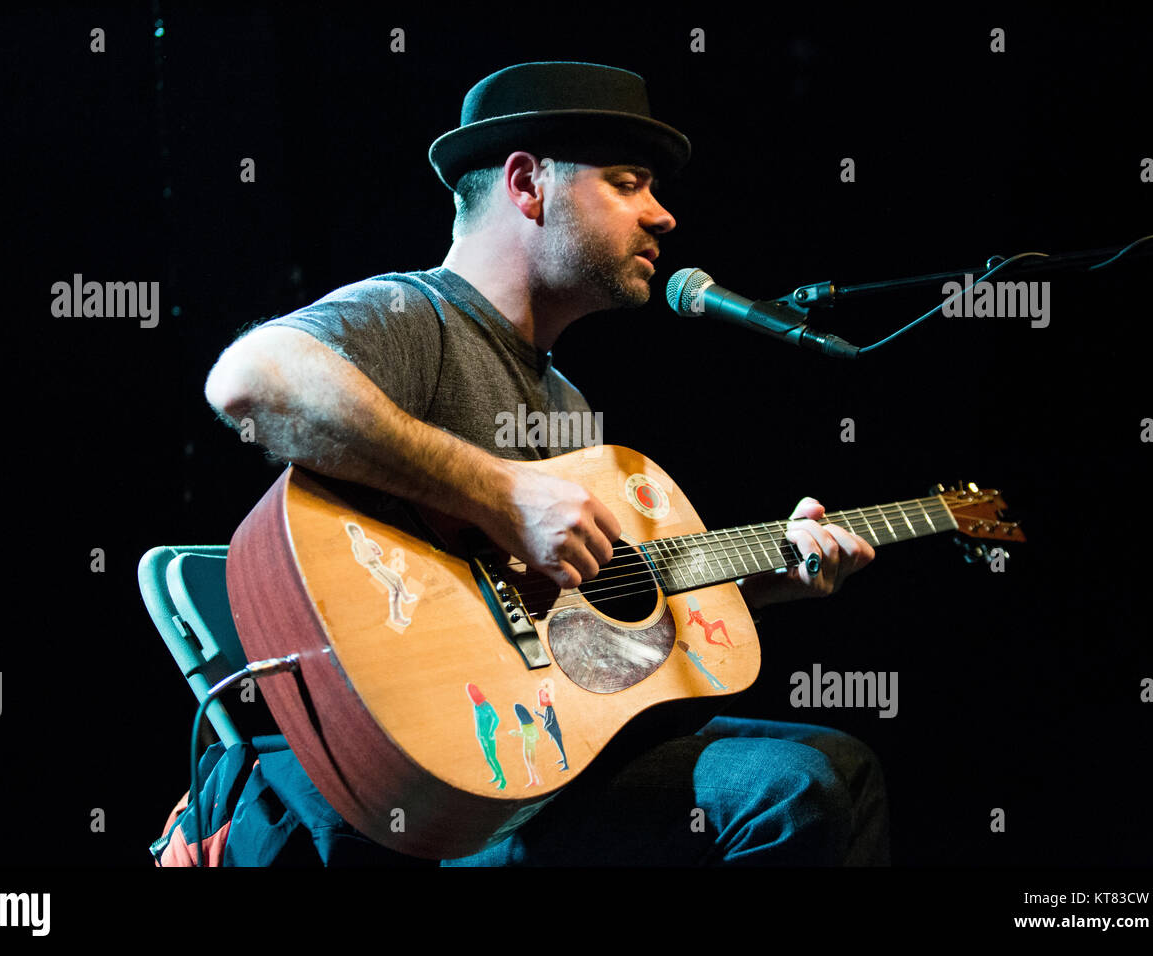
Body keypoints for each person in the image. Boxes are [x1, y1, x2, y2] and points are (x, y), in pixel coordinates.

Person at [203, 61, 887, 865]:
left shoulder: (565, 406)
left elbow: (584, 643)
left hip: (536, 762)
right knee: (793, 791)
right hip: (397, 785)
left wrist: (751, 591)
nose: (664, 217)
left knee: (846, 768)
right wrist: (500, 492)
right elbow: (249, 380)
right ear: (527, 184)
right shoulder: (416, 313)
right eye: (629, 183)